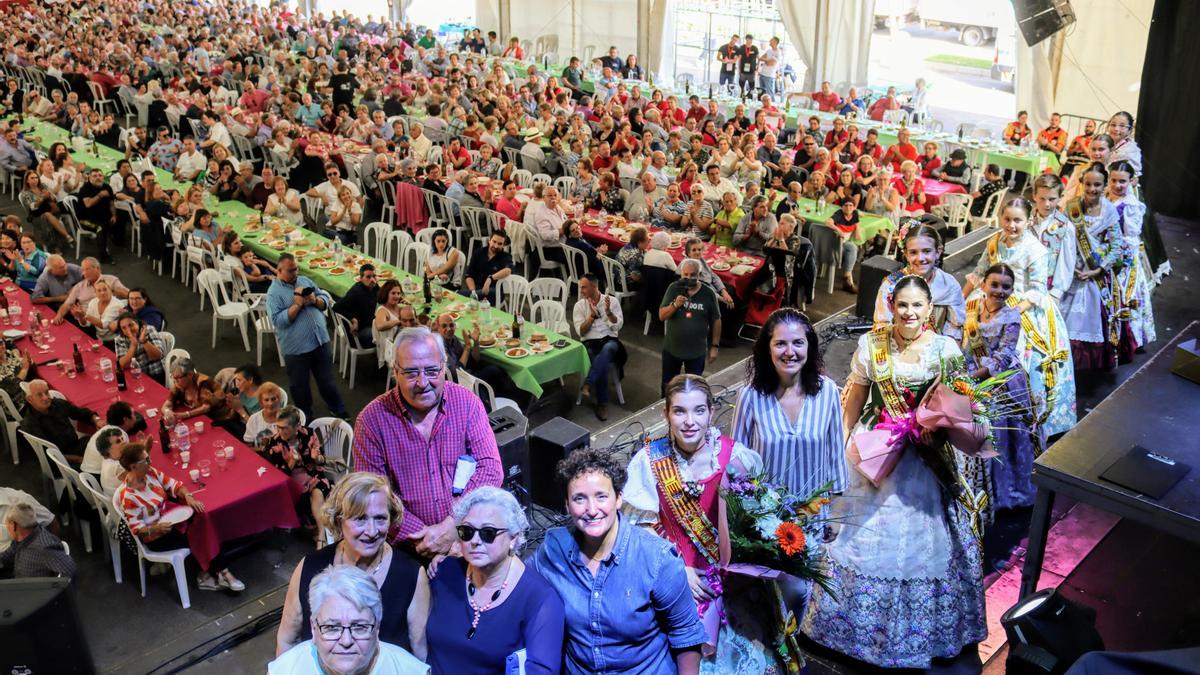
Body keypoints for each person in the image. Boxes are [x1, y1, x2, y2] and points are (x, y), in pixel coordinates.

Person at [801, 275, 985, 669]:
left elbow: (959, 404)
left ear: (930, 307)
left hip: (924, 462)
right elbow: (854, 402)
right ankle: (850, 632)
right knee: (859, 538)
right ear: (891, 305)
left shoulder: (946, 349)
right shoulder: (873, 345)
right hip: (876, 454)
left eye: (918, 305)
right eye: (903, 305)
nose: (909, 313)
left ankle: (917, 639)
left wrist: (936, 428)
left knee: (922, 547)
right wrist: (841, 445)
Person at [535, 446, 705, 673]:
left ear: (618, 499)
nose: (591, 509)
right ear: (567, 505)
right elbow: (516, 584)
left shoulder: (656, 558)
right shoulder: (553, 549)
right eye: (579, 499)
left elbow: (686, 634)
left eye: (601, 496)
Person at [352, 327, 502, 557]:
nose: (423, 382)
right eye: (411, 373)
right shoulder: (371, 421)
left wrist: (453, 528)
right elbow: (373, 496)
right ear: (396, 372)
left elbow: (490, 469)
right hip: (408, 549)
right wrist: (427, 538)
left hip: (469, 538)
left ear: (444, 366)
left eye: (432, 371)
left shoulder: (467, 403)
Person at [410, 486, 565, 674]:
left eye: (488, 532)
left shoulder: (540, 600)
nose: (475, 540)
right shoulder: (445, 572)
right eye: (467, 531)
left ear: (513, 538)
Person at [964, 198, 1077, 437]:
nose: (1011, 225)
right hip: (989, 301)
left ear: (1029, 220)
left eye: (1018, 220)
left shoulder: (1035, 250)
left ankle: (1019, 420)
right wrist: (960, 301)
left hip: (1024, 308)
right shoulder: (994, 241)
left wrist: (1009, 315)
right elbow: (979, 272)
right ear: (1000, 218)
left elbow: (1037, 289)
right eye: (1007, 219)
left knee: (1019, 362)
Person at [733, 308, 845, 500]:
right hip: (765, 521)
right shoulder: (750, 397)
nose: (790, 352)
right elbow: (736, 463)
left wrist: (836, 515)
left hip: (814, 517)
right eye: (780, 344)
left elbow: (836, 457)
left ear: (809, 346)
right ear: (768, 348)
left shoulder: (828, 392)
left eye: (798, 343)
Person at [116, 442, 245, 592]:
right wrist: (156, 527)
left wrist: (189, 496)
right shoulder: (129, 497)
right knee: (198, 536)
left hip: (171, 518)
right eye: (146, 460)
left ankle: (208, 572)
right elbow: (137, 529)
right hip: (157, 536)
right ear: (133, 467)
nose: (150, 462)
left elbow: (175, 485)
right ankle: (221, 573)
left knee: (203, 519)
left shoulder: (150, 473)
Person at [962, 263, 1041, 509]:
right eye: (994, 284)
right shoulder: (972, 306)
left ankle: (1001, 493)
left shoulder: (1012, 317)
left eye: (1006, 287)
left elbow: (1003, 357)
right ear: (983, 284)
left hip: (1000, 381)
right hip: (970, 370)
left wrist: (974, 377)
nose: (999, 290)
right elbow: (964, 343)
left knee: (999, 437)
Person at [269, 565, 429, 675]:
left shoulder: (410, 671)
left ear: (377, 628)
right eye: (332, 627)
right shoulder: (284, 670)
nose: (346, 641)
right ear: (313, 628)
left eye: (359, 627)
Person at [1059, 163, 1134, 371]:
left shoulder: (1109, 211)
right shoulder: (1071, 207)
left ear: (1104, 186)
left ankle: (1088, 365)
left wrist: (1099, 269)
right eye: (1089, 184)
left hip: (1096, 272)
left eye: (1098, 185)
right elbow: (1062, 238)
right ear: (1082, 184)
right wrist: (1069, 265)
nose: (1093, 189)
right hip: (1073, 269)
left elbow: (1116, 246)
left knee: (1092, 318)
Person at [268, 254, 348, 420]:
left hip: (320, 341)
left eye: (296, 268)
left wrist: (315, 300)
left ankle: (338, 409)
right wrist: (297, 305)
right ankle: (306, 418)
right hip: (297, 350)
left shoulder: (304, 280)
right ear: (279, 270)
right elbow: (278, 321)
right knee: (300, 387)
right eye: (291, 270)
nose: (295, 273)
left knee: (327, 381)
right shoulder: (273, 293)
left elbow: (325, 298)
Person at [874, 225, 966, 340]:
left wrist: (944, 353)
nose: (920, 258)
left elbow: (954, 328)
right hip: (898, 350)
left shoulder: (949, 285)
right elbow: (882, 325)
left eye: (926, 251)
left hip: (937, 351)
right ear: (906, 254)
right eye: (913, 252)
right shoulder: (891, 285)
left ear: (938, 252)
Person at [1106, 160, 1155, 349]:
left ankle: (1129, 338)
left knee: (1125, 295)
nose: (1118, 185)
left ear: (1131, 181)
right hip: (1106, 255)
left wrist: (1116, 254)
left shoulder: (1131, 206)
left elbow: (1130, 237)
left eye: (1123, 181)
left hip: (1123, 260)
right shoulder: (1106, 199)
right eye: (1114, 180)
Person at [659, 259, 721, 394]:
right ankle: (666, 410)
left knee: (693, 388)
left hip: (696, 352)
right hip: (672, 349)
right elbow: (662, 316)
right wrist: (675, 305)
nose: (688, 278)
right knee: (668, 386)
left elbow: (716, 320)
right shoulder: (674, 288)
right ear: (681, 274)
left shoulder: (708, 293)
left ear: (699, 275)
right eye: (685, 275)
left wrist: (715, 346)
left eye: (692, 275)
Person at [573, 274, 625, 421]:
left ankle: (588, 383)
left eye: (584, 287)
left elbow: (618, 325)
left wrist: (608, 312)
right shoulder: (579, 306)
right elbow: (580, 332)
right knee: (599, 359)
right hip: (590, 342)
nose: (581, 290)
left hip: (610, 340)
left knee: (607, 349)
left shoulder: (612, 301)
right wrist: (591, 316)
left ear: (594, 287)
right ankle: (602, 403)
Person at [1029, 175, 1078, 316]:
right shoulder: (1025, 220)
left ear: (1060, 197)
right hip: (1022, 284)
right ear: (1034, 196)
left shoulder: (1065, 227)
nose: (1047, 204)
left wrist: (1056, 292)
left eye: (1052, 199)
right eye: (1042, 199)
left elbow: (1066, 262)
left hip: (1047, 287)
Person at [19, 379, 99, 464]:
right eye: (39, 395)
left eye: (46, 392)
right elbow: (49, 454)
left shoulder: (57, 404)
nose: (46, 397)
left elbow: (80, 413)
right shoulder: (30, 424)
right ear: (30, 399)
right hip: (61, 461)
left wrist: (96, 420)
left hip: (75, 446)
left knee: (103, 442)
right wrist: (79, 460)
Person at [0, 502, 76, 580]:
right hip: (19, 581)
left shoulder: (44, 548)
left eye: (7, 524)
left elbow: (70, 569)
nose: (7, 528)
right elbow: (8, 555)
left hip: (32, 590)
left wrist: (50, 590)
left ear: (13, 525)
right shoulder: (20, 539)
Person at [333, 265, 380, 348]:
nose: (372, 280)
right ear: (361, 279)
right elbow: (336, 307)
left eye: (374, 276)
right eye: (368, 277)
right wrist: (353, 319)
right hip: (357, 334)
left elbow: (382, 296)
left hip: (369, 324)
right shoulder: (356, 292)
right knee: (383, 332)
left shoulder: (374, 287)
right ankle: (382, 358)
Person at [463, 231, 513, 305]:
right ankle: (472, 295)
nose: (496, 246)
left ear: (504, 245)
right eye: (494, 242)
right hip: (475, 288)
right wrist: (473, 292)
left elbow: (508, 270)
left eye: (500, 244)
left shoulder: (505, 257)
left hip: (493, 292)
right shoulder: (478, 252)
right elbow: (469, 275)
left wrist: (490, 278)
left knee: (461, 295)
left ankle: (463, 294)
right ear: (489, 240)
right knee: (472, 295)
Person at [824, 197, 862, 293]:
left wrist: (857, 227)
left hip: (844, 243)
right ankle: (847, 279)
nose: (848, 208)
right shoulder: (839, 214)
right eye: (846, 205)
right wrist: (838, 229)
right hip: (835, 243)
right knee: (852, 248)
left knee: (852, 248)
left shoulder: (855, 214)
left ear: (854, 207)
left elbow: (857, 235)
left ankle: (847, 277)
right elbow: (828, 222)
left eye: (851, 205)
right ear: (842, 207)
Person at [244, 381, 289, 447]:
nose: (270, 403)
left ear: (279, 400)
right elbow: (249, 445)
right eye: (266, 400)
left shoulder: (288, 418)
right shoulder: (253, 419)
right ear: (261, 402)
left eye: (273, 399)